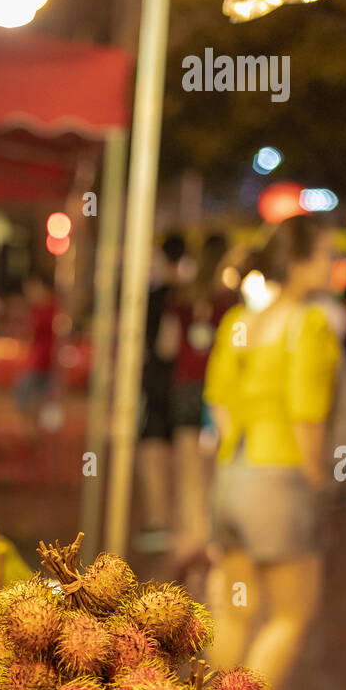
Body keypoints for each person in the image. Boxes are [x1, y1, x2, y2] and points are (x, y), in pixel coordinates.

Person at [204, 214, 340, 690]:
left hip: (231, 479)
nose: (332, 264)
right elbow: (308, 418)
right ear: (299, 261)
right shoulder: (309, 325)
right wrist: (318, 484)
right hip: (280, 480)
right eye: (325, 253)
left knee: (236, 613)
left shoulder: (239, 322)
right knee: (290, 615)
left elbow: (218, 404)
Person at [154, 232, 234, 561]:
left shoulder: (181, 299)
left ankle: (189, 535)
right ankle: (213, 536)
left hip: (186, 384)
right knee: (216, 464)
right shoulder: (230, 301)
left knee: (187, 465)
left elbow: (166, 345)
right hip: (219, 389)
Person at [136, 232, 187, 550]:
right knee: (182, 451)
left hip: (157, 381)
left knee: (152, 448)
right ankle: (180, 519)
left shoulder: (158, 297)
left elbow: (165, 345)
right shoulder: (190, 295)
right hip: (186, 384)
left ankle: (158, 521)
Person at [15, 274, 58, 417]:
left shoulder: (53, 309)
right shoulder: (35, 309)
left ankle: (37, 431)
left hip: (47, 361)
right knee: (31, 397)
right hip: (36, 360)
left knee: (37, 399)